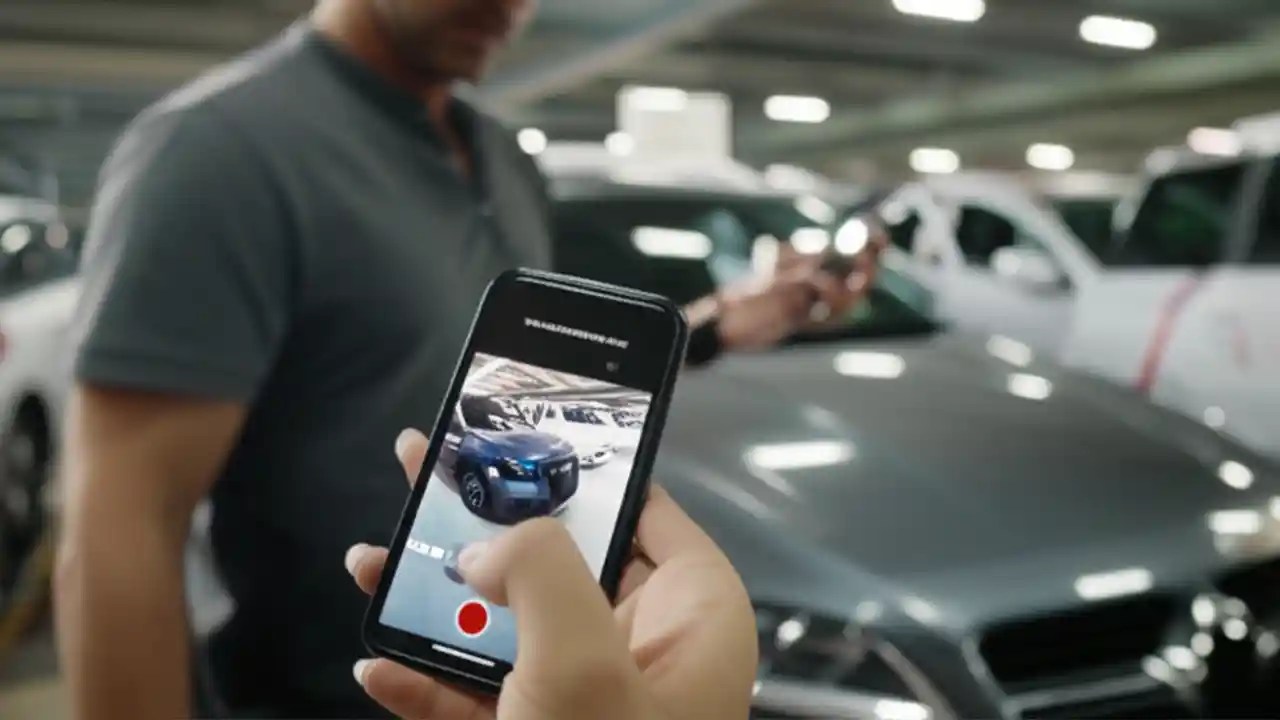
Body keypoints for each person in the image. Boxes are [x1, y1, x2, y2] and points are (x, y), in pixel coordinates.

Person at [54, 0, 865, 717]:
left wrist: (719, 322)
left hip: (507, 687)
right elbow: (117, 530)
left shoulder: (505, 157)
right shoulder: (218, 151)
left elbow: (509, 373)